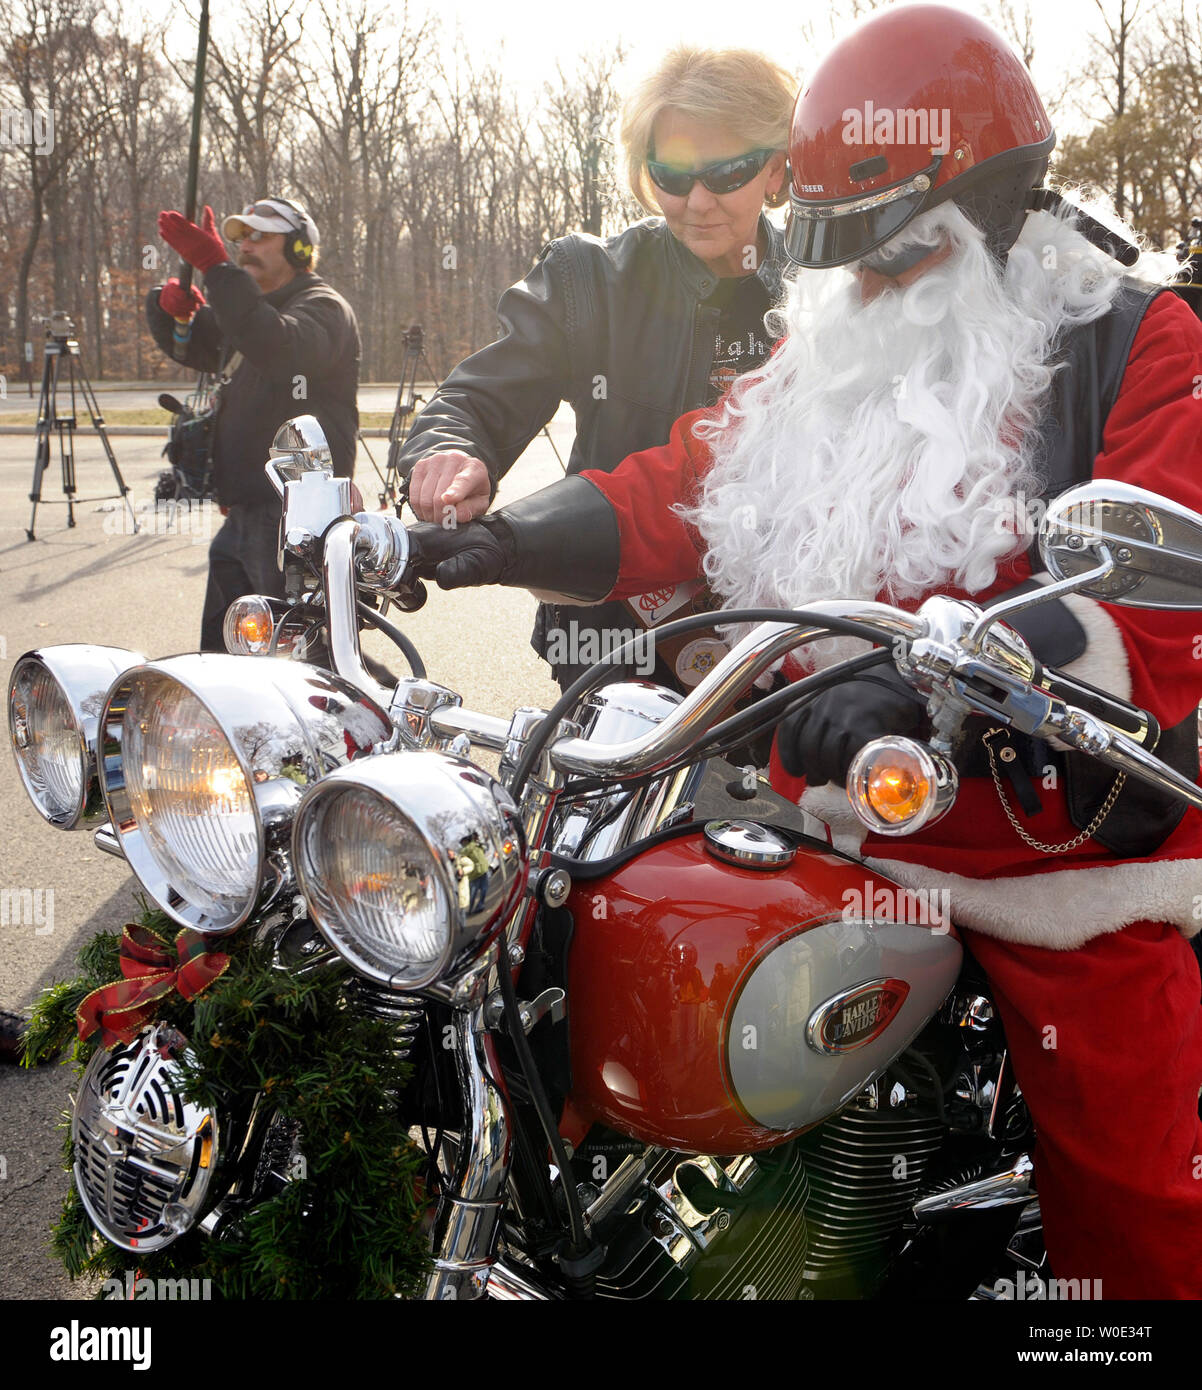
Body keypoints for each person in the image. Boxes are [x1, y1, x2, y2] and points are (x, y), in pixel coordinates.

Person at [405, 6, 1202, 1298]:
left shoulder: (1129, 341)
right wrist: (492, 539)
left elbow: (1156, 609)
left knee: (1124, 1181)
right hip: (803, 808)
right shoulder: (835, 340)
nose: (865, 289)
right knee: (572, 959)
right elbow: (688, 480)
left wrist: (930, 687)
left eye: (889, 258)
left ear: (985, 207)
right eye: (845, 264)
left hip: (1040, 848)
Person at [397, 47, 795, 690]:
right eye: (671, 174)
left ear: (776, 170)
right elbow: (475, 399)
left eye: (726, 173)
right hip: (613, 640)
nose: (696, 200)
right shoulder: (588, 279)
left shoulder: (825, 291)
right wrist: (450, 452)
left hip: (779, 639)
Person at [146, 197, 361, 651]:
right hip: (245, 513)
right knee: (227, 655)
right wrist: (173, 312)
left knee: (306, 657)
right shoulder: (254, 315)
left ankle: (374, 715)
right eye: (240, 238)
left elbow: (278, 346)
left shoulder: (324, 307)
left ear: (301, 249)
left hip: (295, 520)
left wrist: (217, 268)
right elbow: (201, 347)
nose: (246, 245)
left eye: (261, 236)